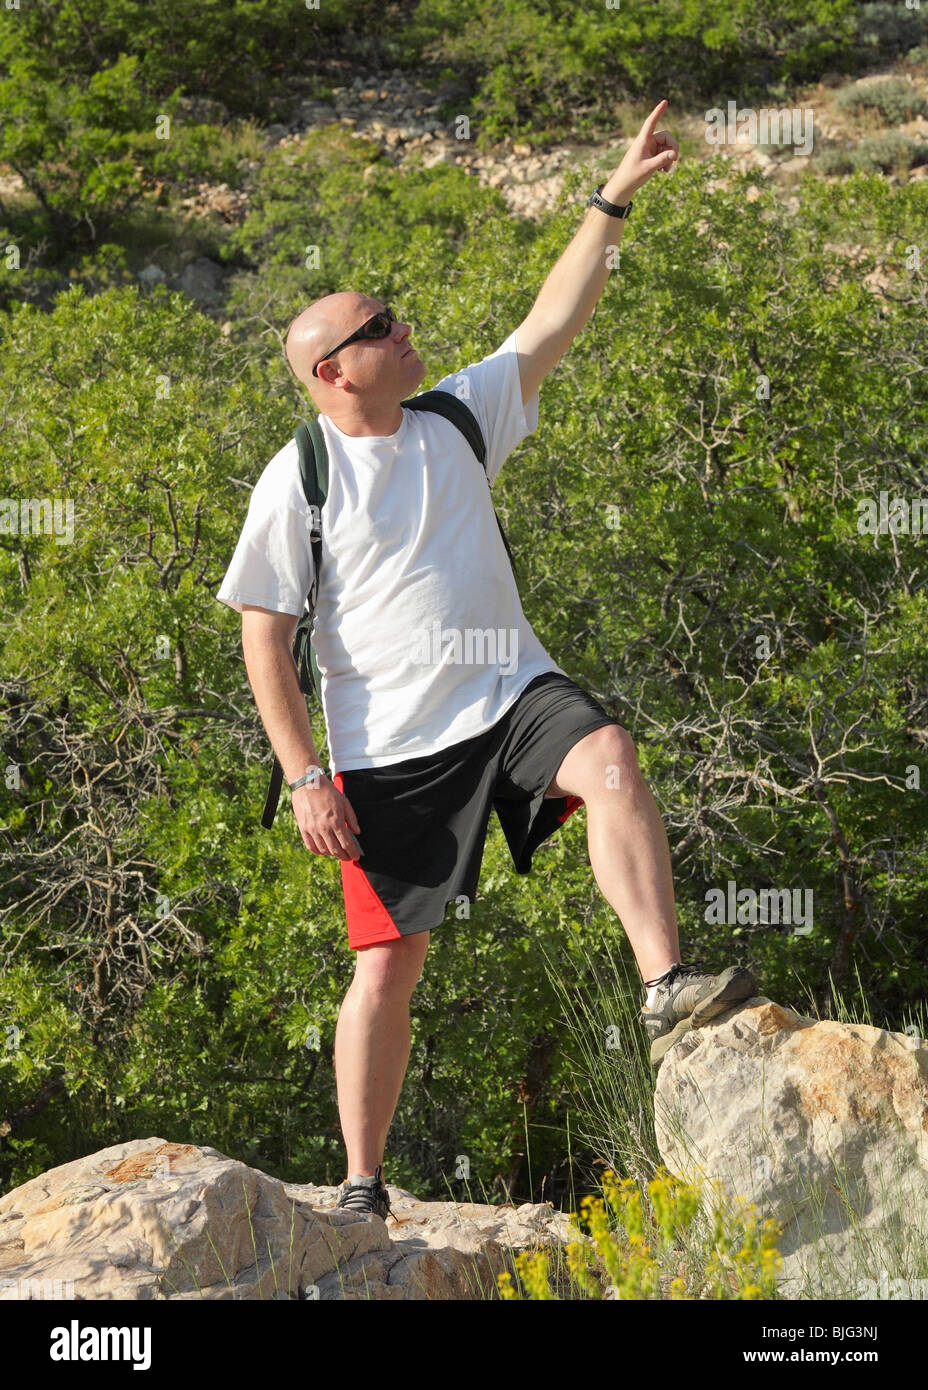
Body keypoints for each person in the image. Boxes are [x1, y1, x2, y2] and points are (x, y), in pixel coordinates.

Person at [216, 101, 755, 1222]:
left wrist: (612, 197)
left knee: (609, 756)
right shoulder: (299, 477)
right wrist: (306, 775)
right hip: (386, 747)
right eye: (380, 325)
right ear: (329, 369)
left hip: (507, 694)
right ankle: (361, 1185)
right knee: (388, 965)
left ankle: (664, 986)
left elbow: (551, 323)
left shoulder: (455, 415)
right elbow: (262, 633)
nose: (404, 330)